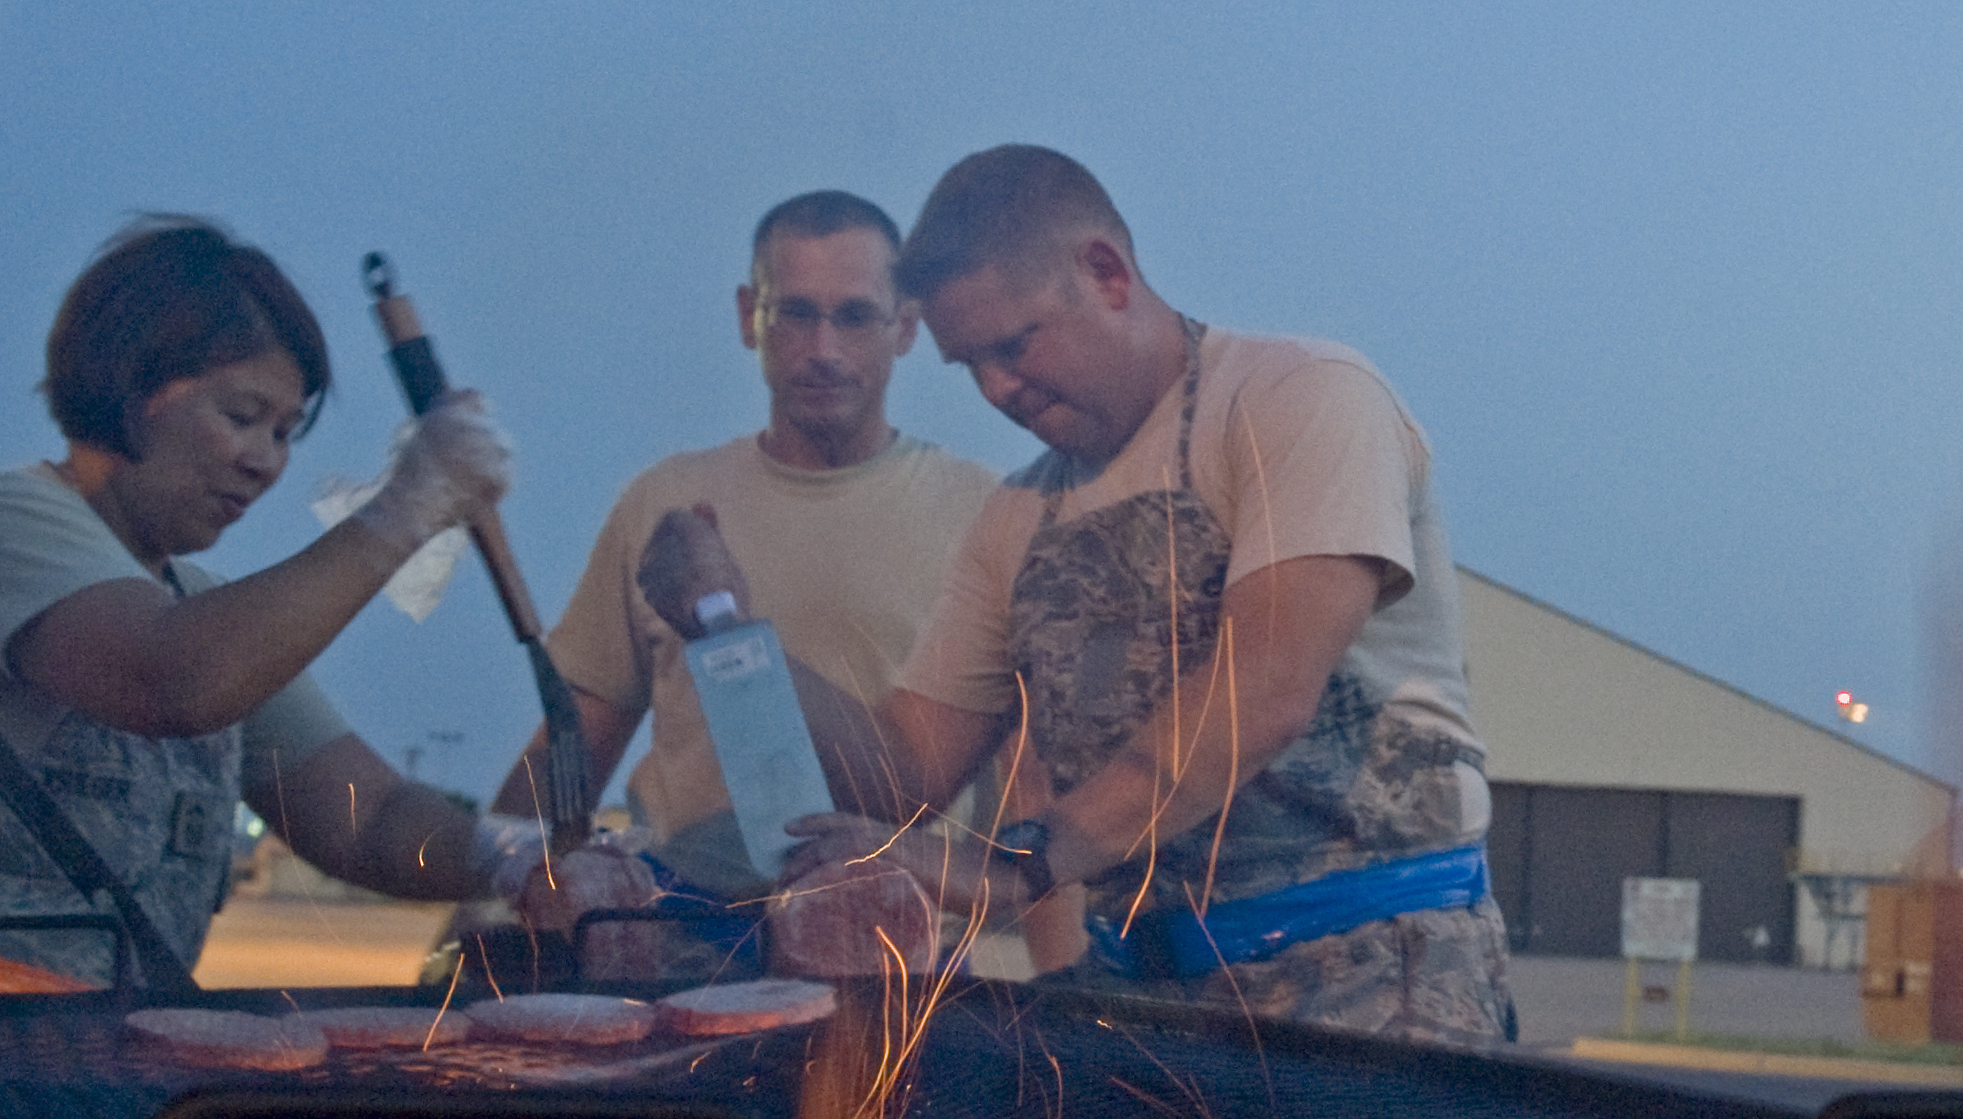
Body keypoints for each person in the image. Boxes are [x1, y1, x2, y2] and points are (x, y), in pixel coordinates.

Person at [646, 146, 1512, 1043]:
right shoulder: (1019, 513)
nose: (996, 389)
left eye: (1014, 345)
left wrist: (1022, 862)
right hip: (1152, 1007)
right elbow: (900, 778)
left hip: (1376, 994)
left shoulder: (1300, 397)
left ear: (1106, 271)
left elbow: (1264, 689)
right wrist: (724, 631)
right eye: (968, 365)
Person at [0, 218, 630, 993]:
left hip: (85, 1068)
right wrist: (407, 508)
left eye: (285, 433)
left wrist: (509, 854)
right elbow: (174, 681)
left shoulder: (210, 613)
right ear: (133, 383)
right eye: (243, 414)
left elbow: (368, 820)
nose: (265, 461)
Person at [477, 192, 993, 935]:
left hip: (900, 944)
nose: (822, 349)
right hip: (684, 934)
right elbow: (575, 738)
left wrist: (1053, 955)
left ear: (905, 327)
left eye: (854, 315)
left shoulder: (979, 513)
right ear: (749, 314)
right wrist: (489, 888)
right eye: (795, 313)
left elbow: (1026, 780)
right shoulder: (665, 504)